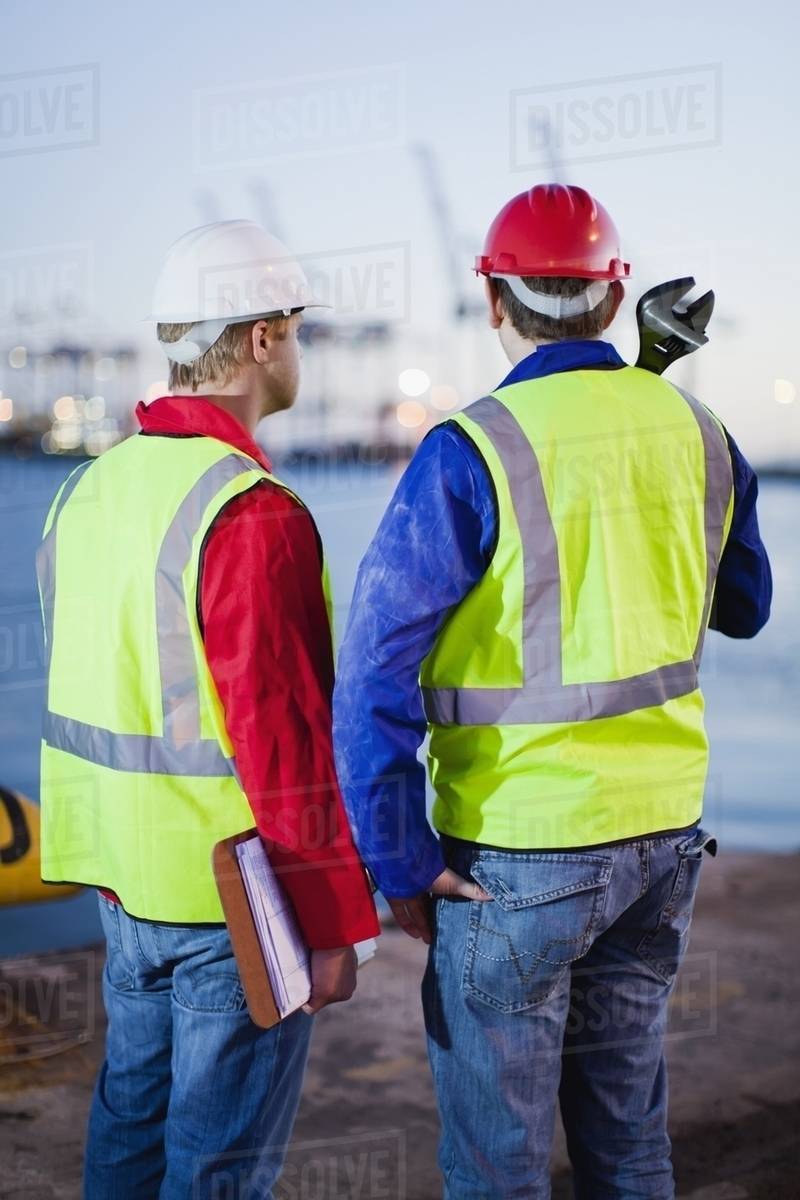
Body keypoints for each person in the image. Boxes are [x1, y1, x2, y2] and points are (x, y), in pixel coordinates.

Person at [333, 185, 771, 1198]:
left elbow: (371, 673)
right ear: (613, 302)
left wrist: (396, 857)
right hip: (660, 846)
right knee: (628, 1147)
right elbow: (740, 606)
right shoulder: (699, 433)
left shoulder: (469, 448)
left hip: (514, 855)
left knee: (498, 1172)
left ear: (494, 302)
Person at [37, 219, 380, 1199]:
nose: (299, 351)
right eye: (297, 331)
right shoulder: (248, 508)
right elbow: (285, 741)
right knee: (217, 1166)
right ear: (263, 338)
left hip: (118, 883)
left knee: (128, 1129)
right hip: (232, 905)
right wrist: (331, 924)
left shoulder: (85, 492)